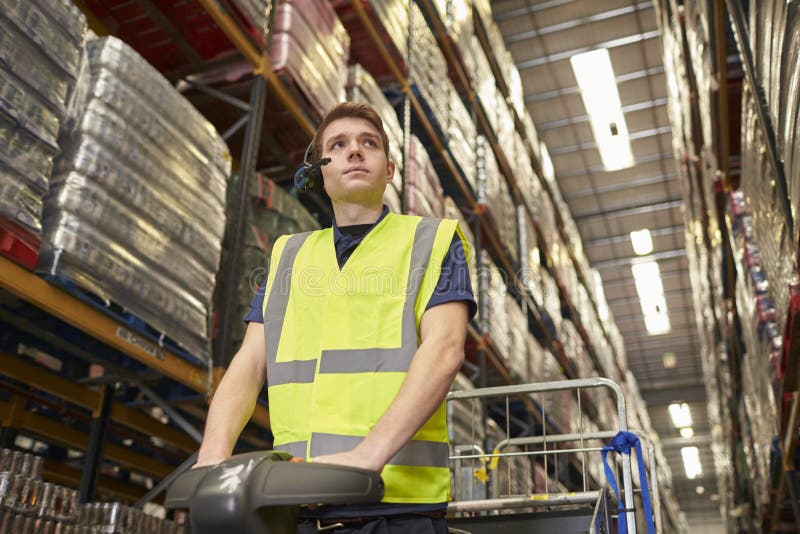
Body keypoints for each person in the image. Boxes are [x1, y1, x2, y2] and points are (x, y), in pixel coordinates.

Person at [196, 102, 477, 533]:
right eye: (338, 145)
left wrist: (367, 456)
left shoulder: (433, 240)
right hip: (299, 505)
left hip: (398, 508)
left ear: (390, 169)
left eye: (370, 144)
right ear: (321, 171)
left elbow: (445, 350)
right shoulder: (289, 256)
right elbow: (250, 364)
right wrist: (212, 458)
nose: (355, 152)